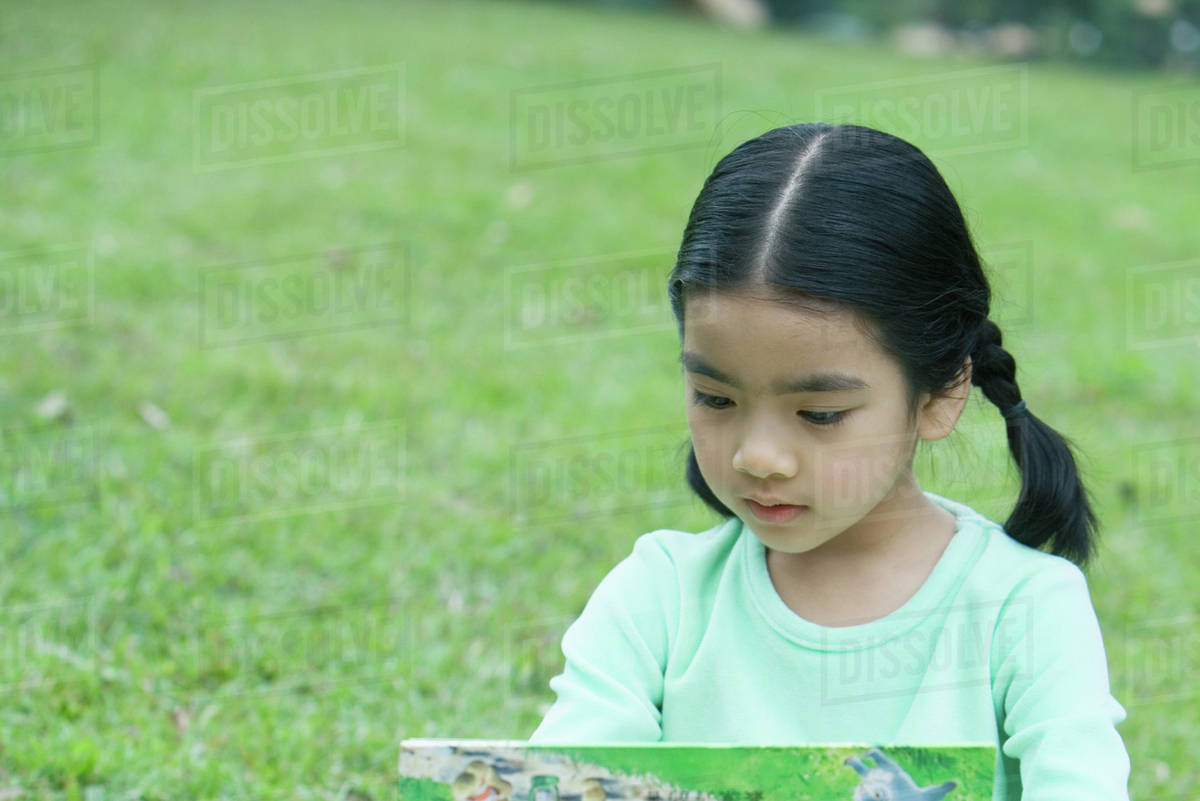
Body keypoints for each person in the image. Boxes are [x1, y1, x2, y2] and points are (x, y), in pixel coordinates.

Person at [527, 123, 1131, 801]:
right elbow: (566, 778)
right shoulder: (657, 603)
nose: (758, 455)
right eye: (714, 396)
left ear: (940, 394)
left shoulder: (1023, 611)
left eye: (818, 413)